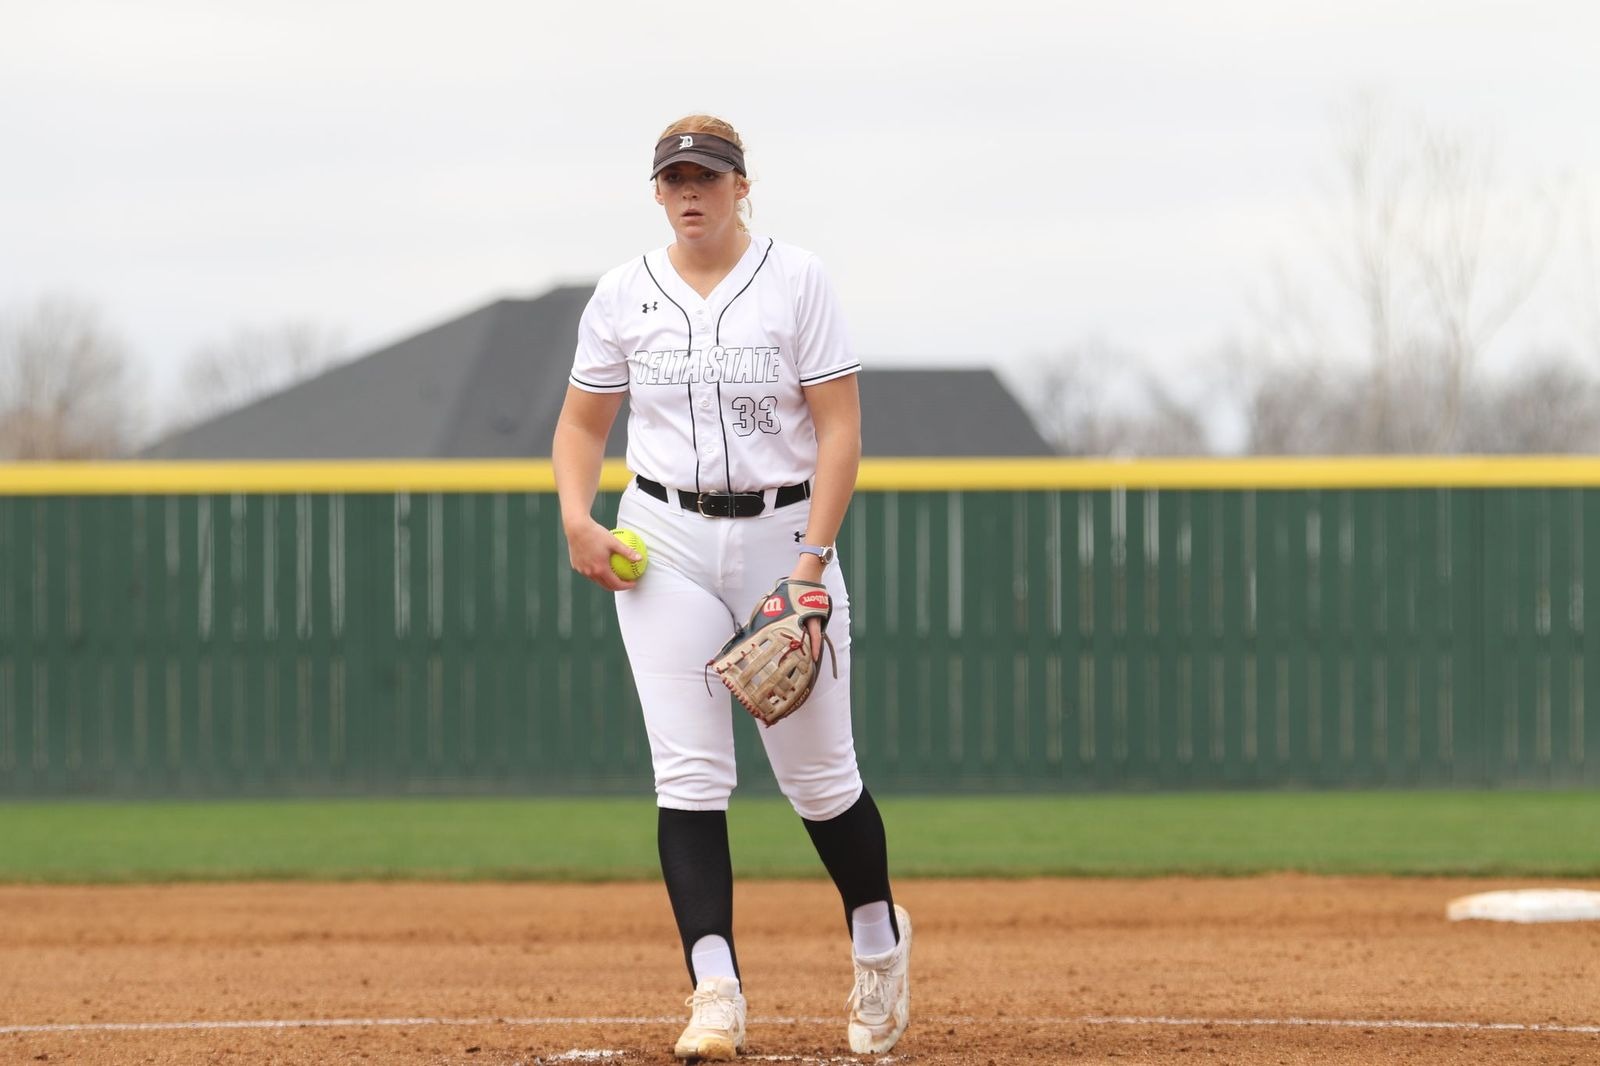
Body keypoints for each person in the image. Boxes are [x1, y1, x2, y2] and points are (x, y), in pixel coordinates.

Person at [551, 114, 911, 1060]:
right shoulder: (623, 293)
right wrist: (579, 519)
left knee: (820, 779)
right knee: (690, 774)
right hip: (661, 535)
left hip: (782, 534)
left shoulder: (797, 280)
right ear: (658, 193)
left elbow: (841, 431)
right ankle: (716, 991)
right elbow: (583, 427)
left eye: (708, 175)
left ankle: (877, 943)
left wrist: (809, 568)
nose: (692, 191)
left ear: (743, 185)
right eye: (675, 179)